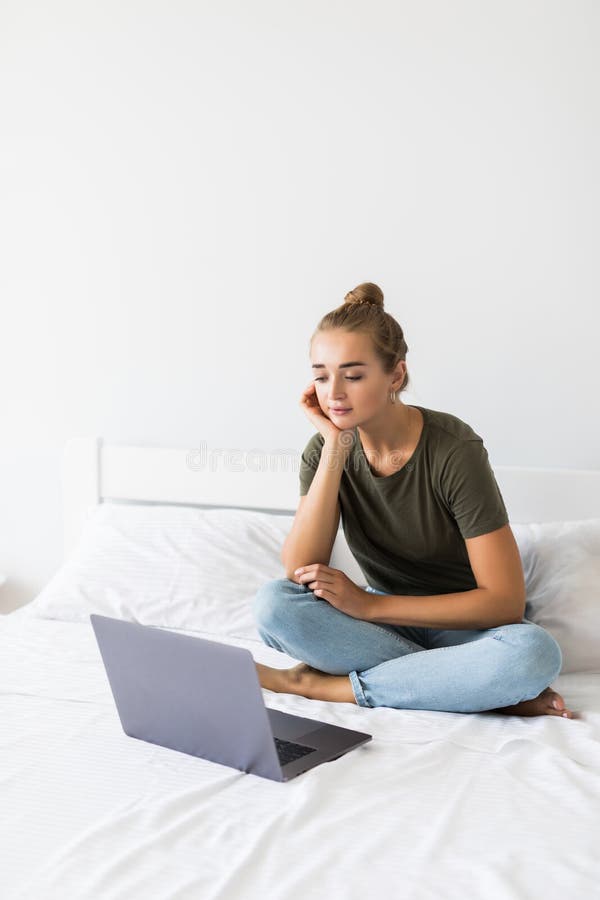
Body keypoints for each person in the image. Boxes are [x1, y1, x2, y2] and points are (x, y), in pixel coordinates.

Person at [252, 282, 574, 718]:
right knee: (273, 605)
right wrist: (333, 445)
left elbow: (504, 602)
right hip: (380, 629)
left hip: (467, 629)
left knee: (533, 654)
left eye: (353, 374)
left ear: (396, 376)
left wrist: (369, 604)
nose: (334, 393)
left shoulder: (453, 449)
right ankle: (464, 689)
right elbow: (298, 570)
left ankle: (315, 685)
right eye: (321, 375)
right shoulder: (324, 451)